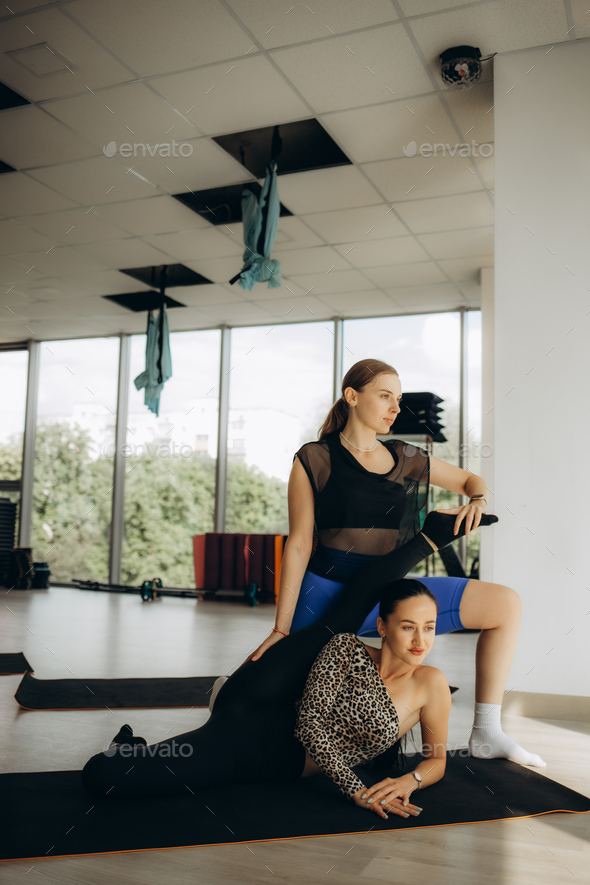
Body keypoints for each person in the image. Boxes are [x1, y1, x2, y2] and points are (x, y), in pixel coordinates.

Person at [81, 510, 497, 820]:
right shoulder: (346, 649)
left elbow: (437, 758)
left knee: (126, 778)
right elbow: (309, 726)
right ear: (384, 626)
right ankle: (431, 535)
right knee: (101, 779)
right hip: (250, 718)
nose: (422, 640)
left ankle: (133, 750)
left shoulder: (431, 684)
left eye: (429, 627)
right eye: (408, 627)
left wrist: (412, 780)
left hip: (274, 762)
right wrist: (356, 789)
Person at [245, 358, 545, 769]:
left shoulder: (405, 457)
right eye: (385, 396)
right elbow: (298, 544)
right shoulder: (314, 458)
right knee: (275, 697)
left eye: (398, 399)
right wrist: (281, 627)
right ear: (352, 397)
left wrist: (478, 500)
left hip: (390, 592)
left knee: (505, 604)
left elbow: (472, 481)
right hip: (328, 595)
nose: (394, 408)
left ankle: (486, 732)